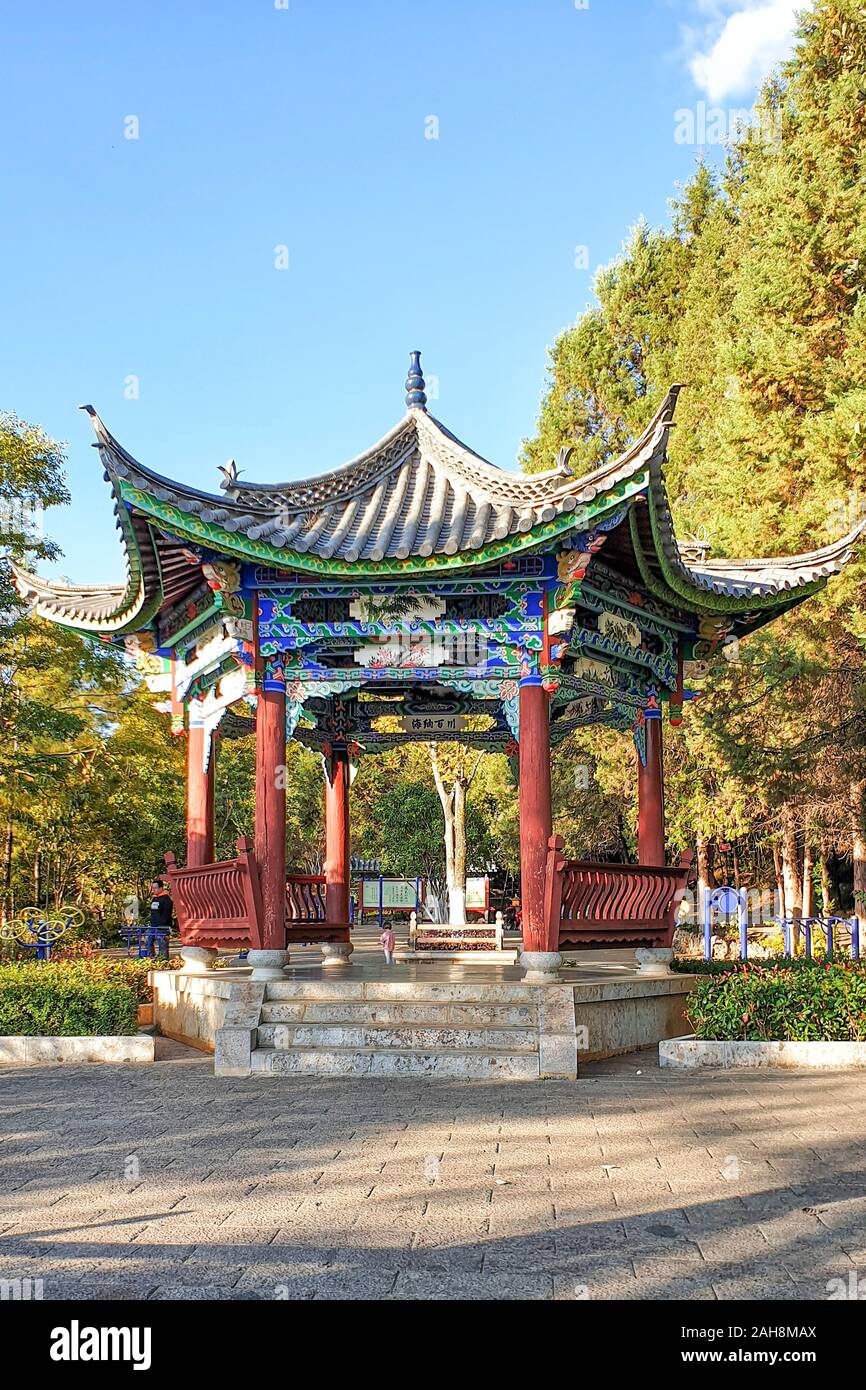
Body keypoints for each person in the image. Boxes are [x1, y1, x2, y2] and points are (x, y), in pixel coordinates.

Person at [147, 879, 173, 958]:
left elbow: (166, 914)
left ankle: (163, 959)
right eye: (153, 888)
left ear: (161, 888)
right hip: (153, 925)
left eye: (155, 888)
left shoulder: (166, 899)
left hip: (163, 926)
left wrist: (162, 926)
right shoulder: (154, 898)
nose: (153, 890)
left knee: (162, 943)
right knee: (148, 940)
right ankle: (150, 957)